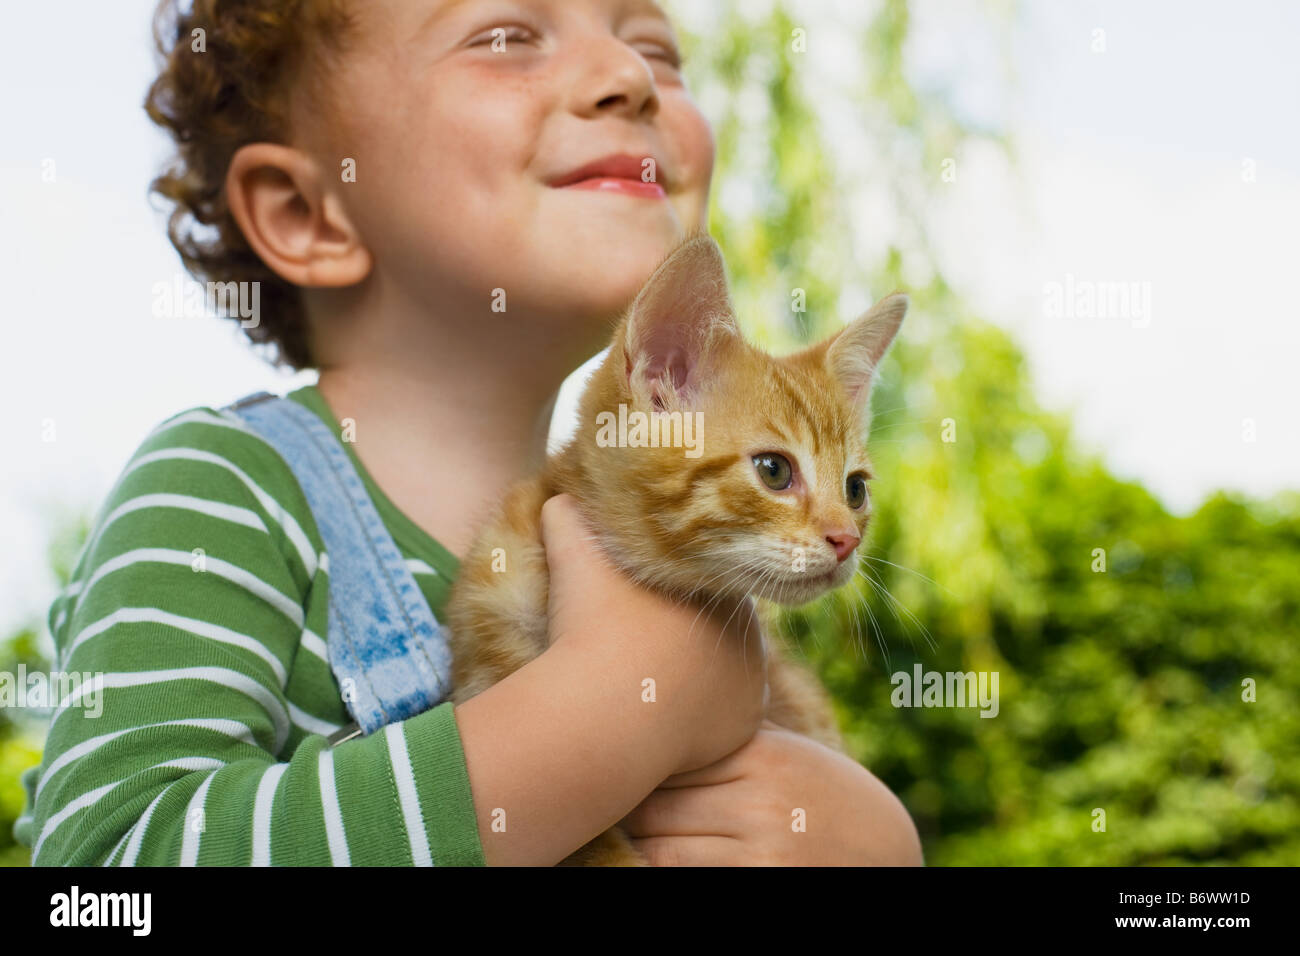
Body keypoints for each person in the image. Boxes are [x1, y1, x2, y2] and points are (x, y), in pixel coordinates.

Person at [16, 0, 922, 866]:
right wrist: (605, 713)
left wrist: (879, 846)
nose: (627, 75)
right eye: (506, 34)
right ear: (307, 213)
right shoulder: (223, 489)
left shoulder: (694, 570)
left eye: (659, 48)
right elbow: (104, 874)